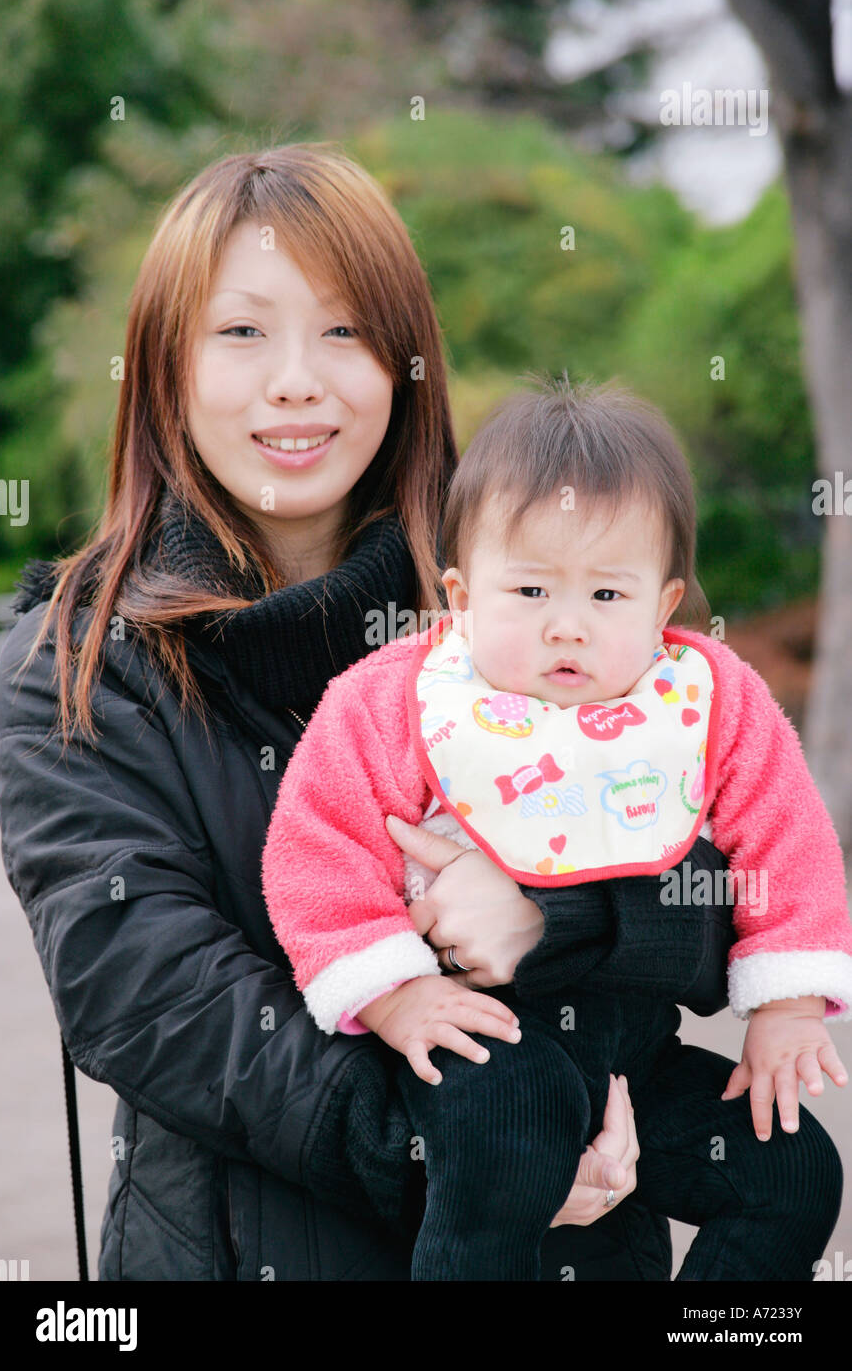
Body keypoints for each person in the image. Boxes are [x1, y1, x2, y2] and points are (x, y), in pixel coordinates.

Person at [0, 142, 732, 1282]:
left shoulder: (537, 591)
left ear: (403, 363)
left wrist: (548, 919)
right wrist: (470, 1155)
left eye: (342, 331)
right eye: (242, 334)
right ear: (164, 367)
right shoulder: (84, 658)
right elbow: (138, 990)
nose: (297, 380)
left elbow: (727, 890)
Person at [262, 379, 850, 1281]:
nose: (567, 626)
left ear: (664, 607)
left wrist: (787, 1002)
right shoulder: (400, 699)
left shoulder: (707, 702)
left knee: (796, 1169)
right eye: (530, 589)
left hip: (640, 1056)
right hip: (486, 1042)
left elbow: (787, 840)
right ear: (461, 594)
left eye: (608, 596)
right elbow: (318, 848)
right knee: (512, 1137)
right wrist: (395, 994)